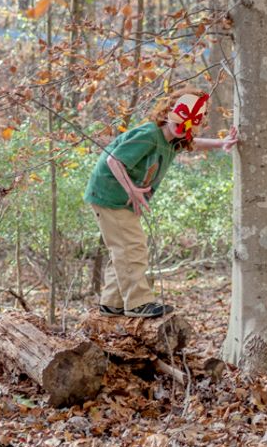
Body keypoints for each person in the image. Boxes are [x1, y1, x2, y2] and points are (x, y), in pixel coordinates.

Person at [83, 89, 237, 318]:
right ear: (168, 112)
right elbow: (113, 159)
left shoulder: (173, 142)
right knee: (132, 247)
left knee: (124, 248)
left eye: (189, 123)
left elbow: (194, 143)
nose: (182, 125)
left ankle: (112, 302)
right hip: (111, 197)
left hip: (122, 201)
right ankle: (138, 303)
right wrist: (132, 190)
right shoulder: (149, 135)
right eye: (180, 117)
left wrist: (220, 143)